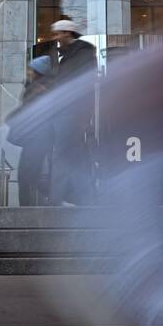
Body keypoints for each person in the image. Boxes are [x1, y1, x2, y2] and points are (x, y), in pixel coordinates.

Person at [50, 18, 98, 205]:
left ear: (67, 33)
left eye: (58, 33)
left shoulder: (81, 56)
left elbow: (86, 87)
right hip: (69, 113)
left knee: (62, 155)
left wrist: (85, 116)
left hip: (71, 113)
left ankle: (56, 200)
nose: (55, 37)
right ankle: (87, 199)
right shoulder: (71, 56)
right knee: (76, 157)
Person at [11, 54, 56, 206]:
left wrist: (13, 118)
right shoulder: (37, 88)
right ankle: (54, 196)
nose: (28, 72)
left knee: (26, 176)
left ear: (38, 72)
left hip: (37, 138)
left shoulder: (39, 90)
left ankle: (55, 196)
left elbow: (29, 111)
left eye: (31, 70)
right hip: (36, 138)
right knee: (27, 175)